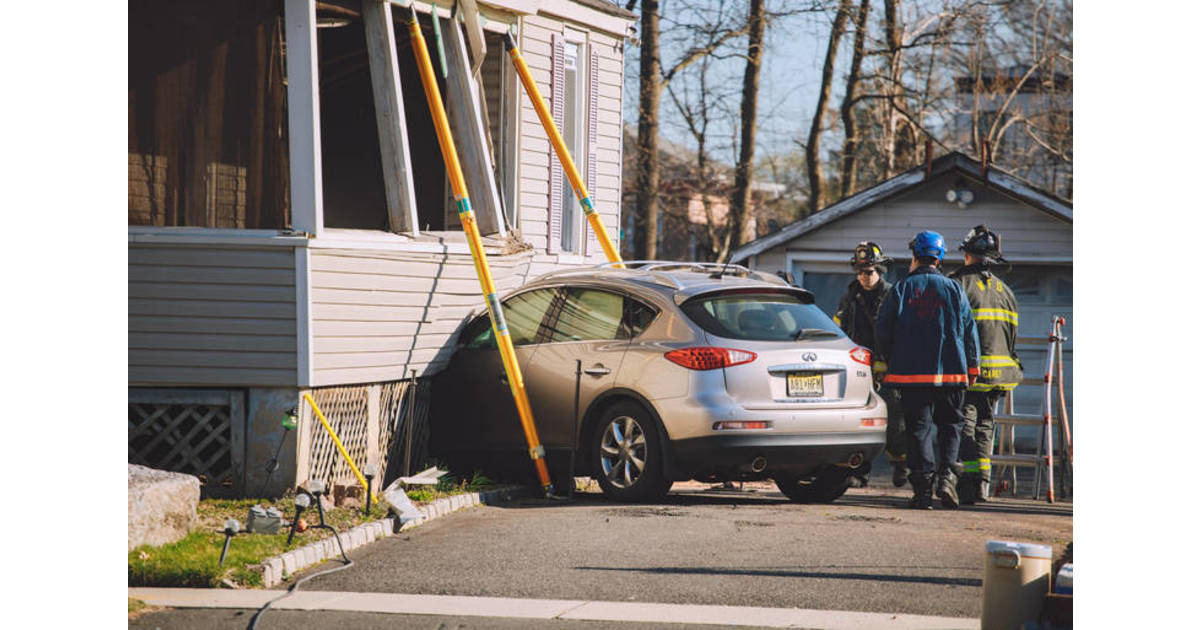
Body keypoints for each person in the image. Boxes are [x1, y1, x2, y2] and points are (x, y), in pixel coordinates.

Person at [875, 231, 980, 509]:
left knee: (918, 430)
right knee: (950, 427)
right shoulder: (955, 288)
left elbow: (883, 329)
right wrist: (973, 366)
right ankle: (947, 479)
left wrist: (885, 360)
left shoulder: (901, 289)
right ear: (940, 257)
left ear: (914, 256)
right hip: (952, 373)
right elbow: (970, 330)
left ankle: (922, 491)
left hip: (911, 375)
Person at [948, 225, 1023, 504]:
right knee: (985, 426)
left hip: (969, 373)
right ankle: (981, 487)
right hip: (1000, 375)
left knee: (965, 424)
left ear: (968, 255)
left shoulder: (956, 284)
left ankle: (968, 487)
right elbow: (1013, 337)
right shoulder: (1005, 291)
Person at [832, 242, 907, 488]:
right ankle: (860, 473)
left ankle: (900, 466)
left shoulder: (892, 295)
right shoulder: (849, 296)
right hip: (859, 369)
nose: (865, 276)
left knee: (894, 423)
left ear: (880, 271)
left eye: (870, 271)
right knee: (859, 422)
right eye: (861, 271)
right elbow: (839, 328)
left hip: (890, 369)